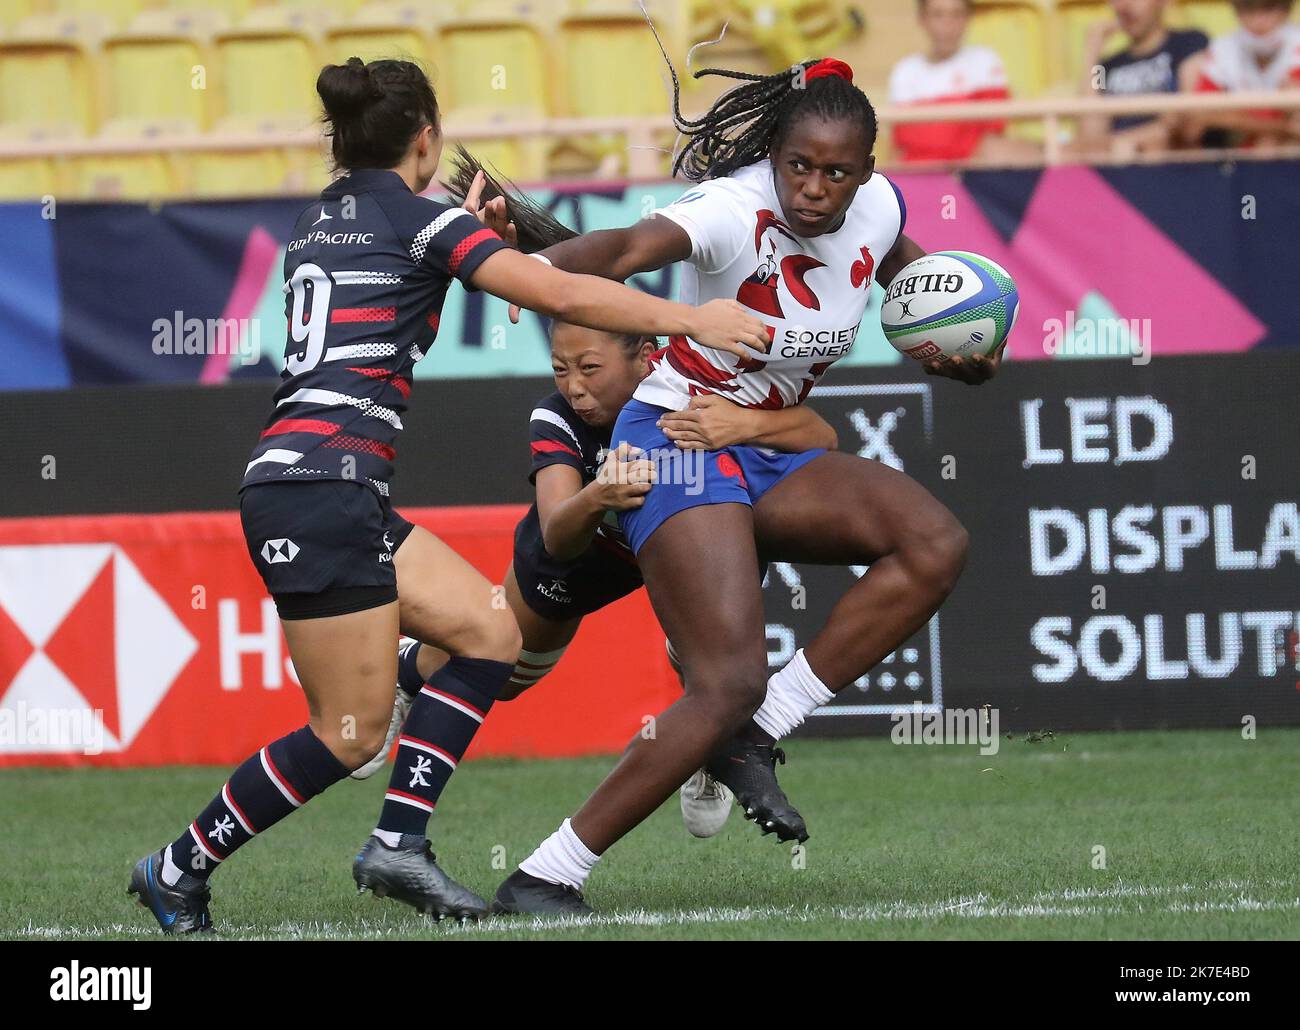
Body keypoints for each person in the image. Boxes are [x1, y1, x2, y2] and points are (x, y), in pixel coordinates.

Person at [126, 57, 768, 934]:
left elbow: (396, 293)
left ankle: (398, 843)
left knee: (492, 633)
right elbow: (557, 289)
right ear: (426, 137)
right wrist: (695, 318)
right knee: (347, 734)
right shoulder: (421, 220)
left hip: (324, 486)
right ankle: (178, 865)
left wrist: (464, 236)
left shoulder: (323, 220)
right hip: (320, 488)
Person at [490, 44, 1004, 915]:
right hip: (680, 436)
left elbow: (926, 300)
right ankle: (546, 874)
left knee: (933, 543)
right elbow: (626, 244)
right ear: (775, 159)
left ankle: (755, 738)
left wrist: (962, 351)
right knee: (726, 678)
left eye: (835, 173)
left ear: (866, 174)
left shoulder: (877, 212)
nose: (812, 187)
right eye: (798, 165)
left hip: (765, 443)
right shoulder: (732, 208)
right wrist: (539, 269)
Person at [351, 153, 839, 844]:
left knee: (719, 658)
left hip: (678, 540)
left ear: (647, 358)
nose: (574, 385)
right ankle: (410, 670)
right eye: (560, 369)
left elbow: (824, 434)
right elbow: (556, 534)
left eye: (589, 368)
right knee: (507, 671)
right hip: (580, 559)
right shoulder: (559, 419)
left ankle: (716, 747)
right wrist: (598, 493)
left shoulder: (691, 389)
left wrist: (747, 425)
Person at [887, 0, 1029, 163]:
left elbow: (992, 133)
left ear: (968, 17)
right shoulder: (905, 71)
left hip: (975, 170)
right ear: (922, 19)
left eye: (957, 14)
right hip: (922, 171)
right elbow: (901, 143)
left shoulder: (985, 60)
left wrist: (932, 136)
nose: (948, 24)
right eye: (938, 15)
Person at [1074, 0, 1208, 157]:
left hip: (1171, 166)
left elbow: (1189, 123)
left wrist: (1124, 142)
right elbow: (1090, 135)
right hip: (1115, 167)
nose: (1125, 6)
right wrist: (1092, 55)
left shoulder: (1190, 43)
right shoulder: (1103, 67)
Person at [1183, 0, 1300, 148]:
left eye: (1269, 8)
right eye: (1248, 9)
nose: (1258, 21)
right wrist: (1280, 127)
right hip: (1240, 152)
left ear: (1287, 8)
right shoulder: (1223, 48)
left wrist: (1232, 114)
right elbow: (1201, 114)